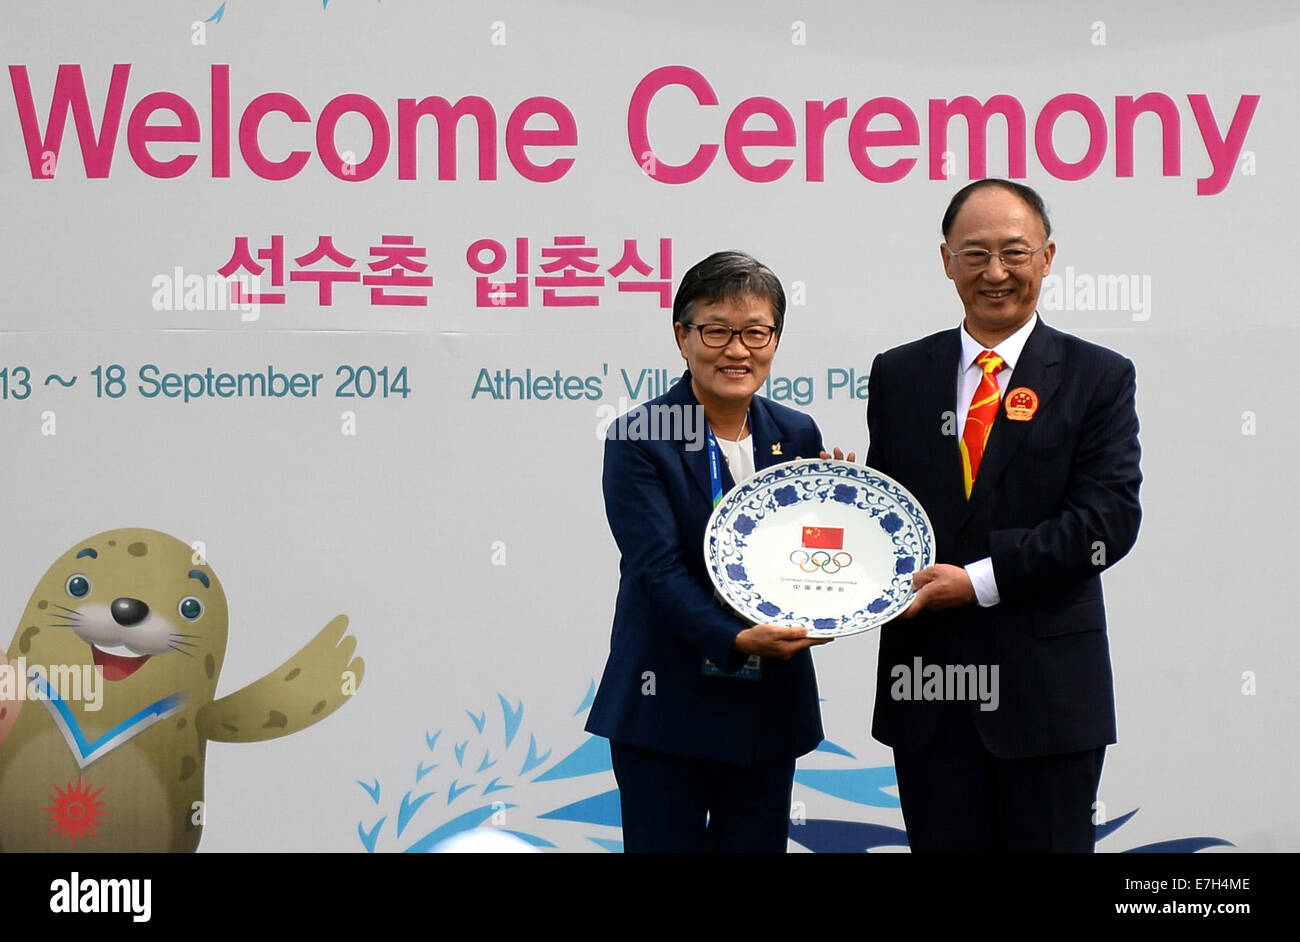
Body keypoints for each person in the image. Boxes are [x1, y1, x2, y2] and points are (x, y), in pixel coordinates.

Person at [863, 180, 1142, 852]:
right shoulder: (899, 374)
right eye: (975, 253)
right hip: (926, 695)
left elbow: (1106, 522)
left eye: (1014, 253)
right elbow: (891, 519)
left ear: (1047, 257)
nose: (995, 273)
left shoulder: (1096, 376)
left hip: (1045, 703)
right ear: (945, 259)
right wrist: (847, 506)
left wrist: (979, 580)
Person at [586, 250, 830, 853]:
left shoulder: (796, 433)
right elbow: (656, 567)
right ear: (682, 336)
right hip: (666, 702)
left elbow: (802, 558)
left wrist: (838, 520)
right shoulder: (640, 436)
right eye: (716, 330)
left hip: (767, 707)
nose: (737, 350)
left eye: (755, 332)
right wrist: (735, 637)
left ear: (775, 338)